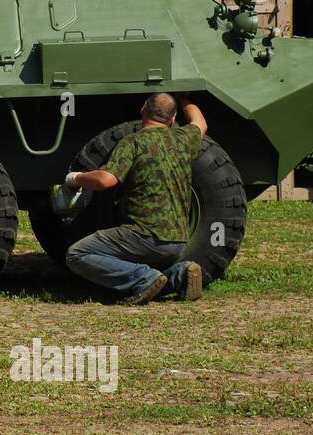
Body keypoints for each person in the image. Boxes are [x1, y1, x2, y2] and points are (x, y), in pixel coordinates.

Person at [62, 93, 208, 305]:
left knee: (77, 254)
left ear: (142, 110)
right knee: (148, 257)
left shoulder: (133, 142)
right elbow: (200, 123)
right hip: (178, 241)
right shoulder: (183, 139)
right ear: (173, 119)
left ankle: (144, 279)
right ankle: (180, 273)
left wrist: (76, 178)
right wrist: (185, 97)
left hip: (143, 236)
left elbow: (105, 180)